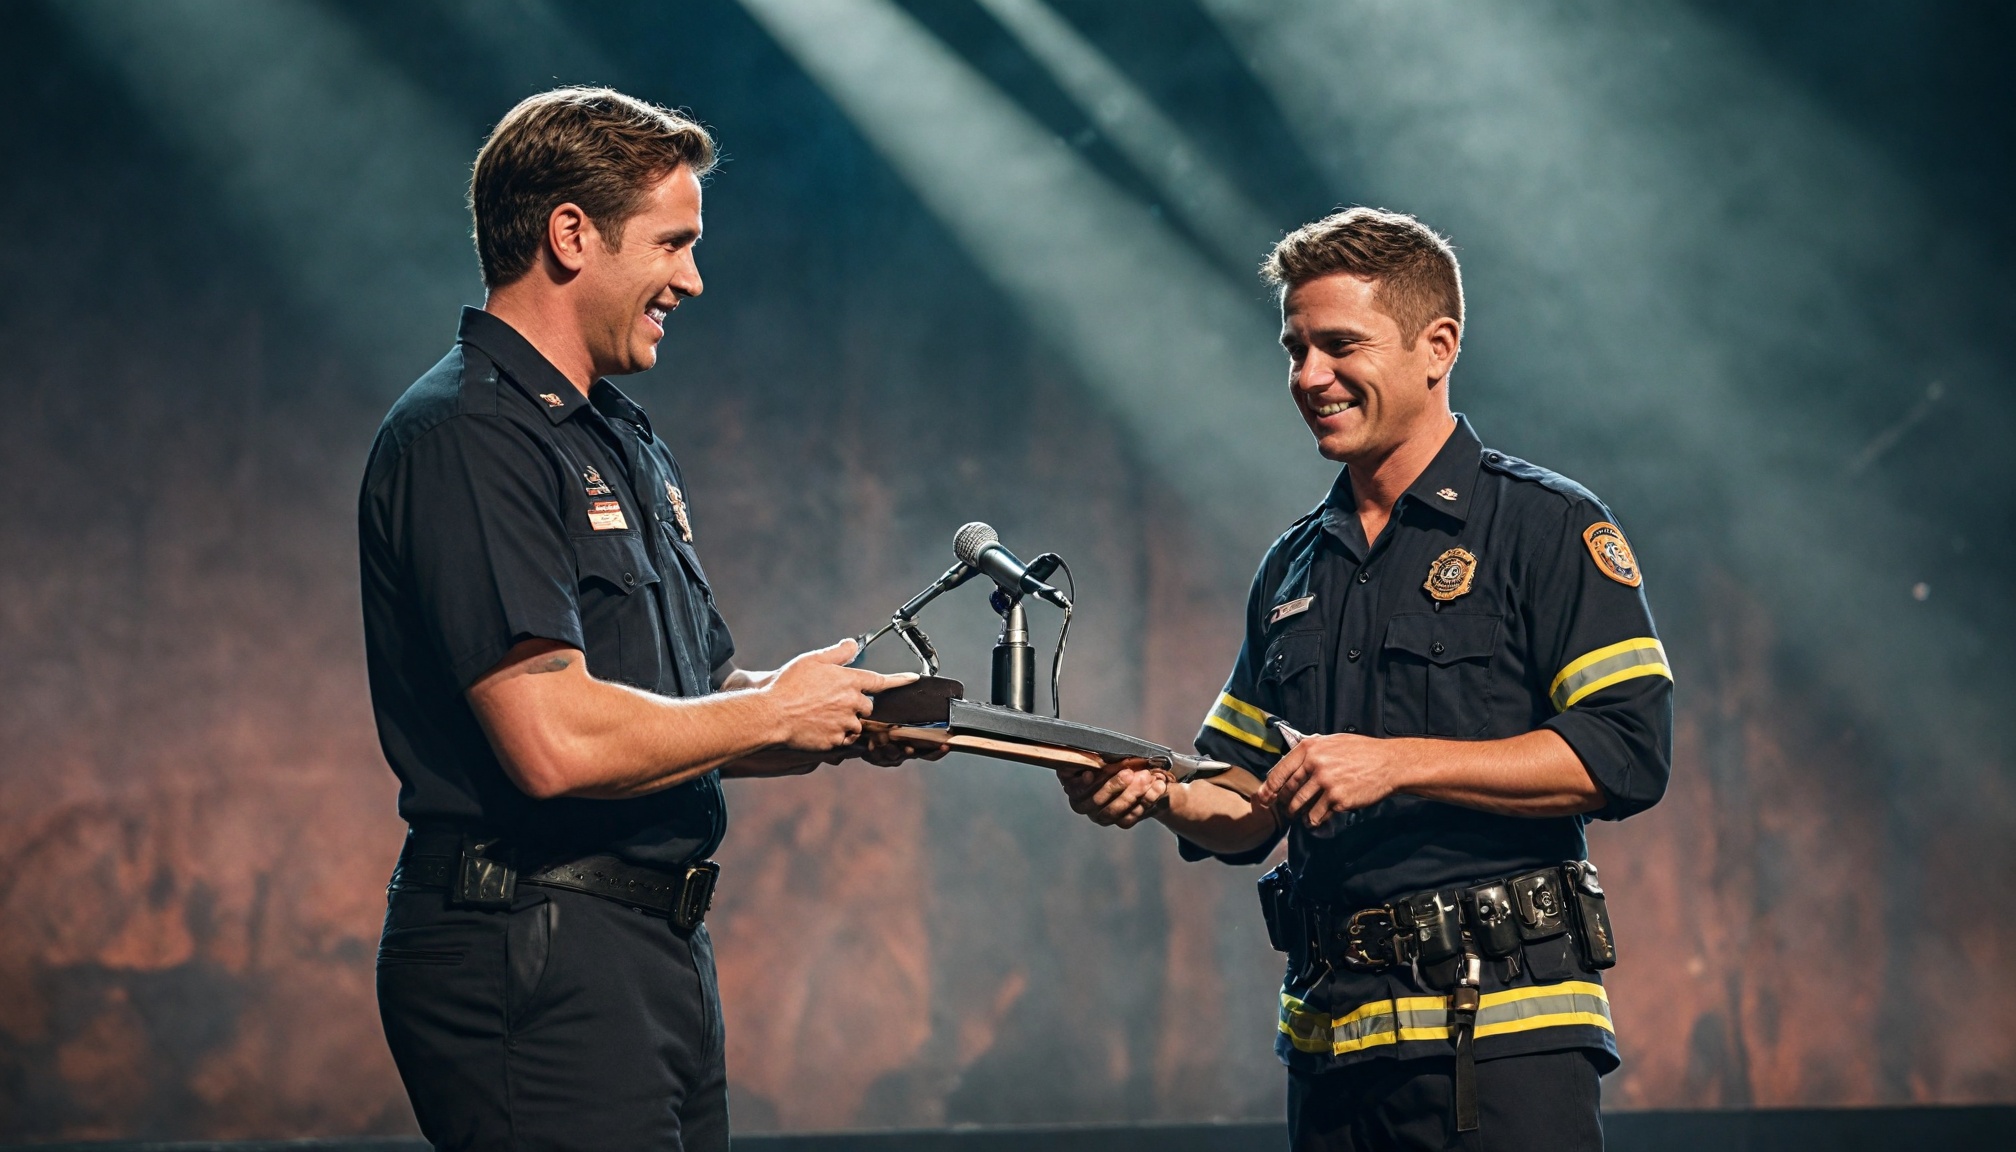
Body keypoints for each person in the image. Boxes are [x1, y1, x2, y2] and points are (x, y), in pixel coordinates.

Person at [358, 87, 924, 1152]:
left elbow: (682, 708)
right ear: (570, 234)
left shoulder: (613, 435)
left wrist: (816, 708)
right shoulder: (471, 435)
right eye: (674, 243)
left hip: (641, 949)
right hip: (532, 942)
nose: (693, 279)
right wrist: (767, 721)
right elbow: (554, 741)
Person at [1059, 207, 1671, 1150]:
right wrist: (1154, 795)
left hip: (1502, 1047)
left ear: (1438, 347)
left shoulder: (1547, 525)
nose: (1309, 377)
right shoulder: (1292, 568)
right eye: (1295, 348)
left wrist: (1397, 764)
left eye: (1340, 345)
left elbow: (1628, 754)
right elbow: (1249, 804)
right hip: (1330, 1050)